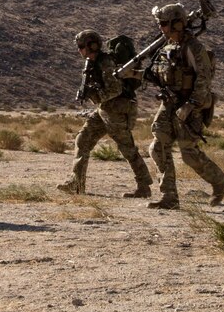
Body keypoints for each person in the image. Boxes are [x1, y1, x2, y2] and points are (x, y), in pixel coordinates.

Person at [145, 3, 224, 209]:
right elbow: (160, 74)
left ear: (178, 24)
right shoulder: (167, 47)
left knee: (189, 154)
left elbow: (204, 80)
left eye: (165, 23)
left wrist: (191, 105)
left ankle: (219, 181)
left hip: (190, 107)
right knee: (158, 147)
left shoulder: (193, 48)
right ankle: (169, 197)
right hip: (170, 103)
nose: (161, 28)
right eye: (160, 24)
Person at [57, 30, 153, 198]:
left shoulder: (105, 63)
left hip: (117, 108)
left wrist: (95, 96)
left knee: (127, 148)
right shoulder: (92, 63)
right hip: (106, 108)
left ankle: (144, 186)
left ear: (91, 46)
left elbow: (116, 89)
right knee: (83, 139)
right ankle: (77, 184)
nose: (79, 50)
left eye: (81, 46)